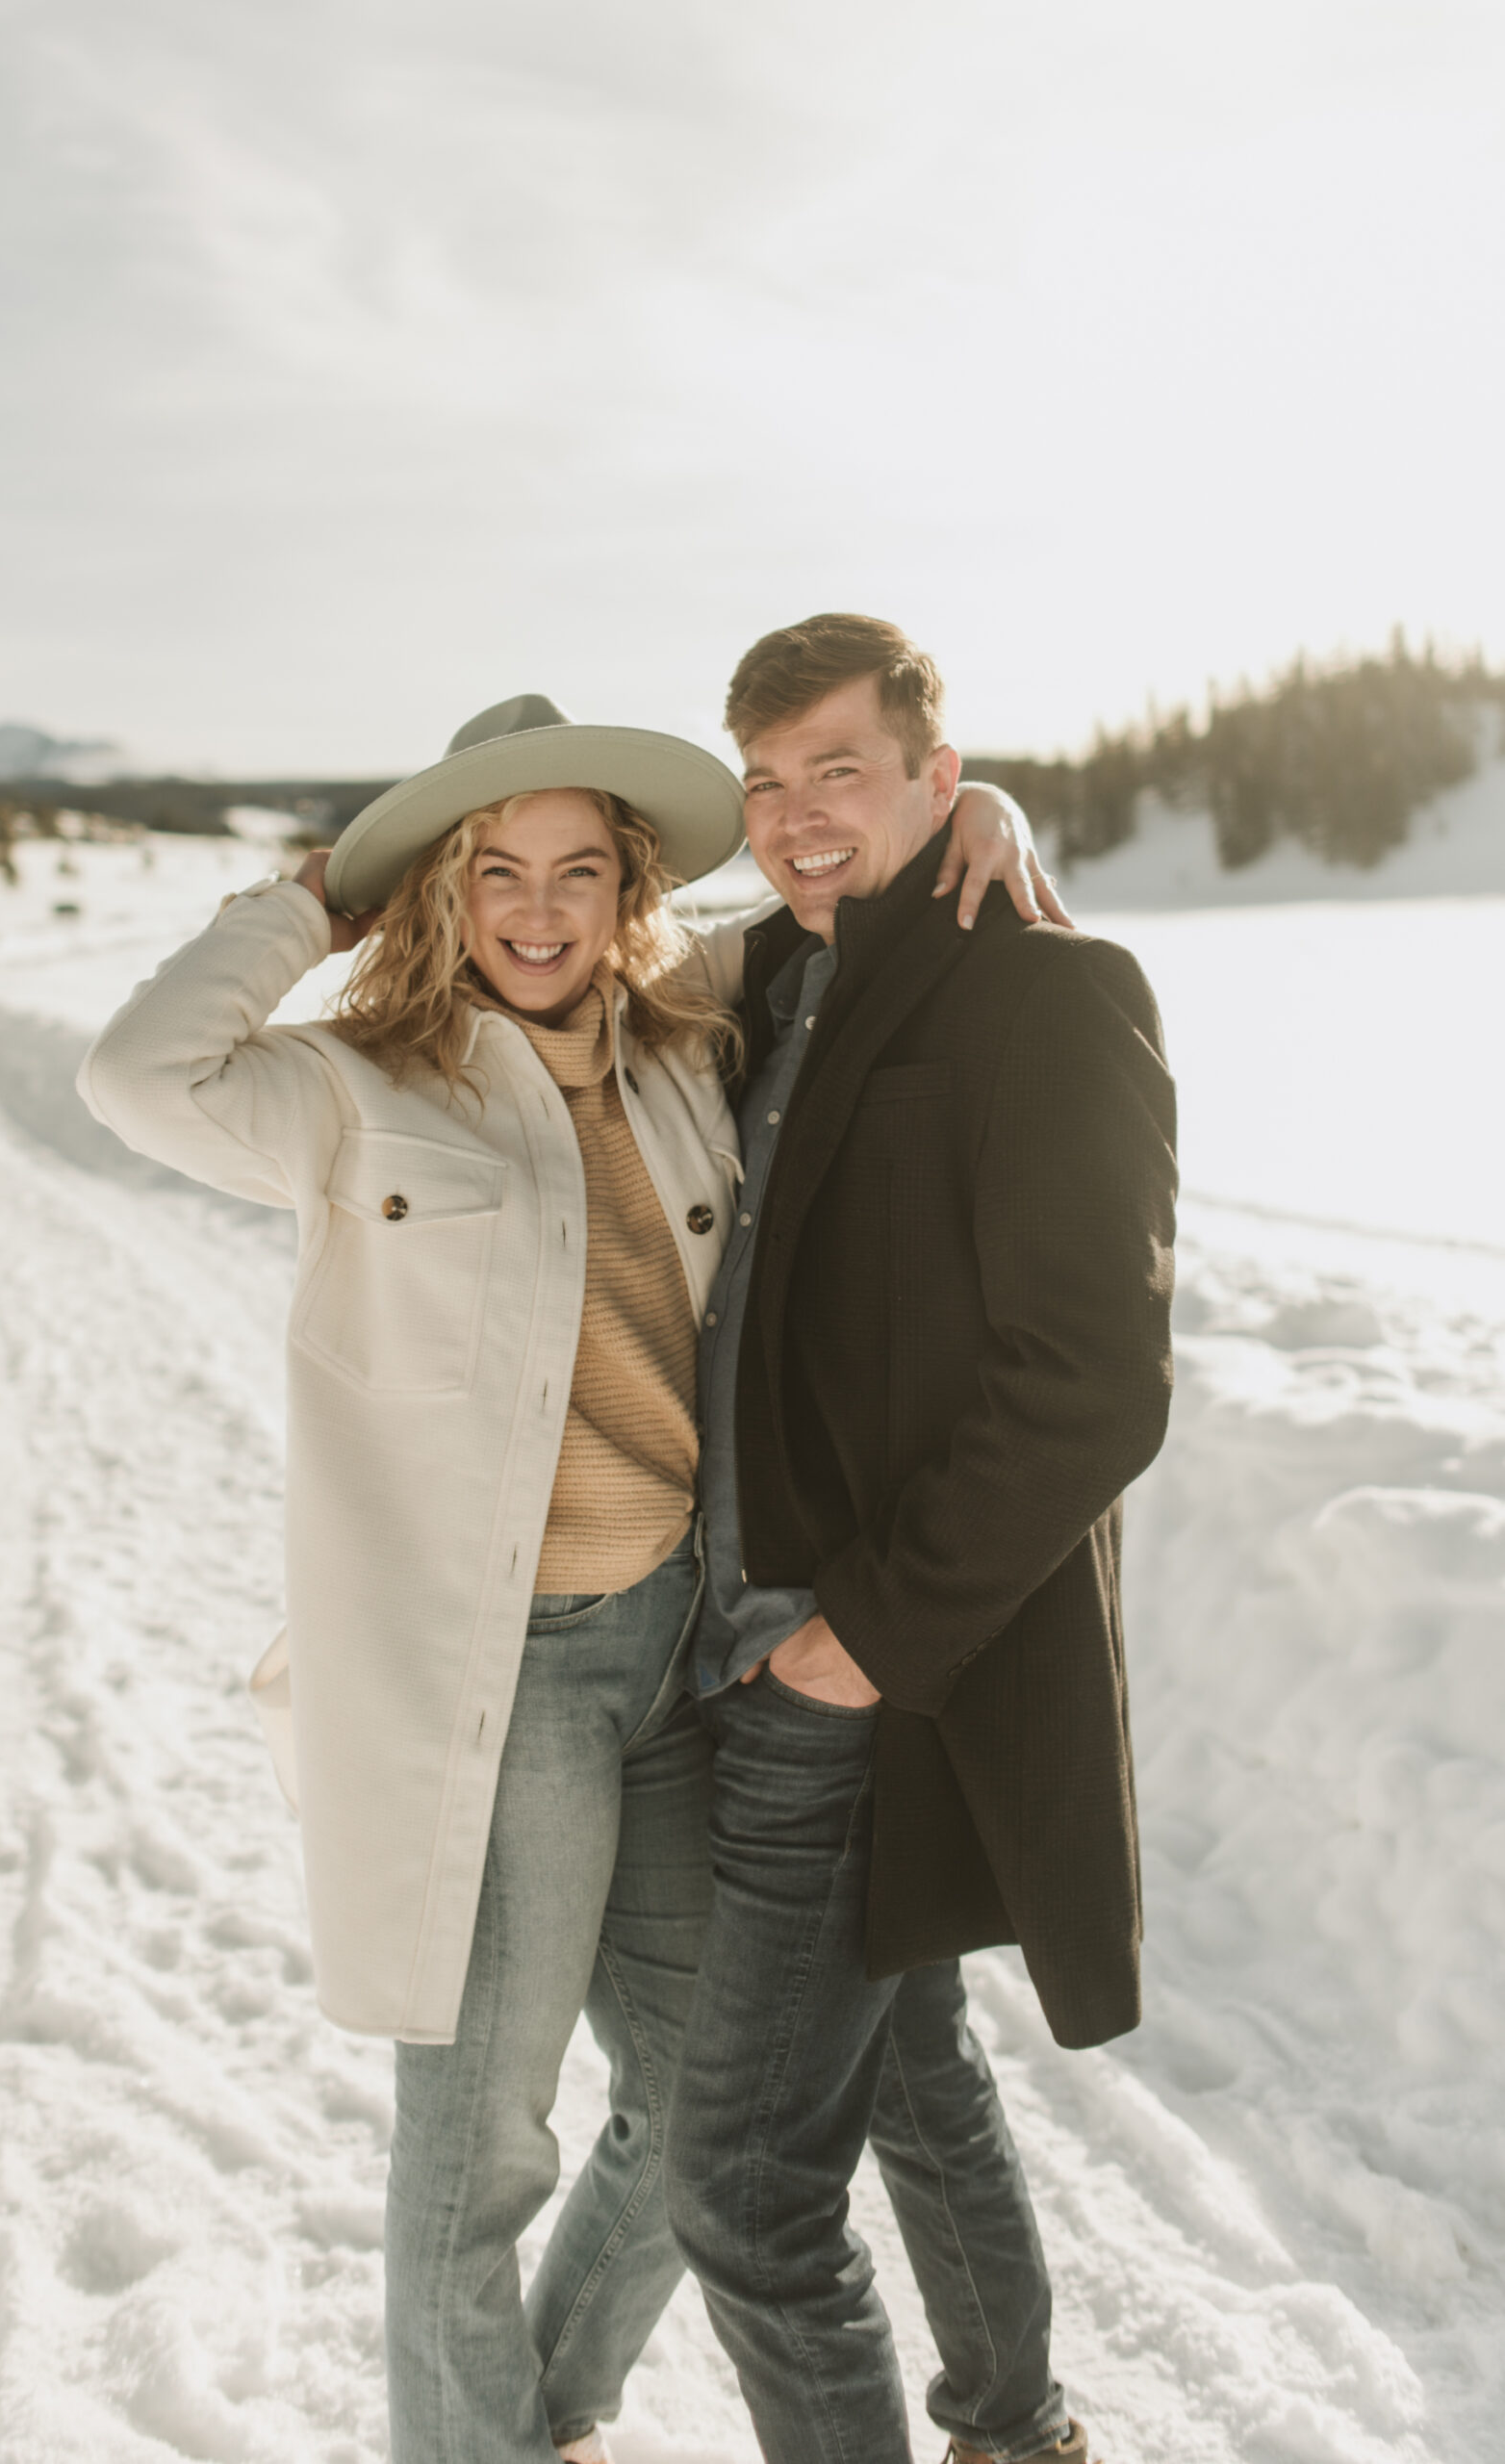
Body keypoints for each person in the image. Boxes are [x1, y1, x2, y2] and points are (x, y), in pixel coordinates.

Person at [75, 688, 1058, 2464]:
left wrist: (970, 817)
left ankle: (546, 2408)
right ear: (444, 894)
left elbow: (840, 895)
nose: (539, 910)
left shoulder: (690, 1057)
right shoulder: (349, 1096)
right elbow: (134, 1079)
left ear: (627, 895)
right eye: (496, 872)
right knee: (478, 2151)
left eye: (579, 872)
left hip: (674, 1658)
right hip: (496, 1683)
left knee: (698, 2116)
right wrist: (311, 901)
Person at [662, 615, 1179, 2464]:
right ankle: (1016, 2424)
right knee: (907, 2070)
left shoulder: (1046, 992)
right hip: (737, 1638)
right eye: (769, 782)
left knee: (733, 2180)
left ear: (932, 781)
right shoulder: (763, 988)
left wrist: (856, 1642)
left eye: (841, 772)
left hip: (853, 1658)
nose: (799, 817)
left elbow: (1094, 1380)